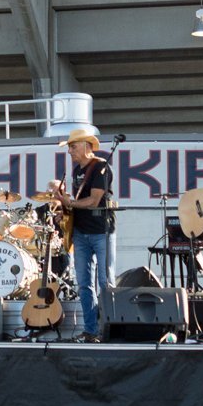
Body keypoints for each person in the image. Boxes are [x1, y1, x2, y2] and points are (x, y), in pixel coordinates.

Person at [56, 125, 115, 342]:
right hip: (81, 232)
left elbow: (94, 200)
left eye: (72, 146)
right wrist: (65, 205)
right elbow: (80, 201)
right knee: (84, 283)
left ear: (85, 146)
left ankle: (108, 329)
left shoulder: (100, 167)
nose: (69, 151)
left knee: (104, 281)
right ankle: (91, 330)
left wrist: (69, 202)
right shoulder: (77, 171)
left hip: (102, 231)